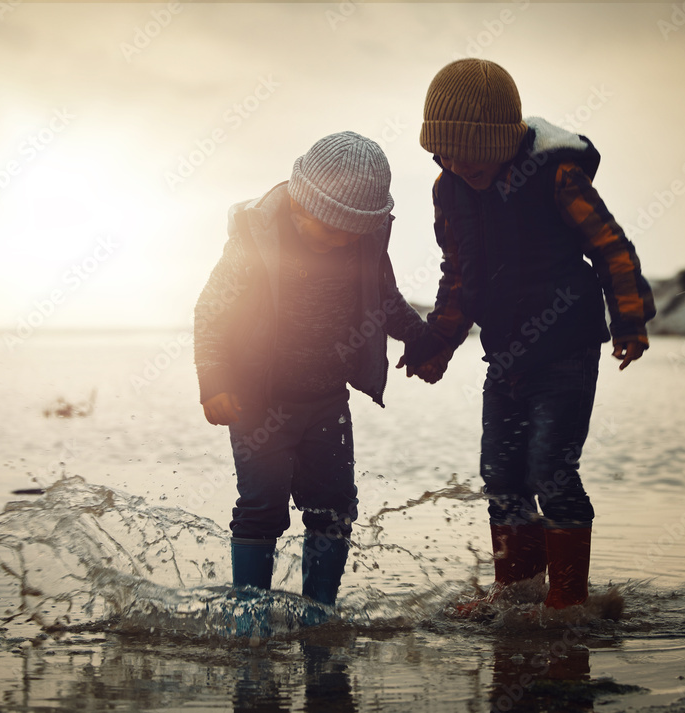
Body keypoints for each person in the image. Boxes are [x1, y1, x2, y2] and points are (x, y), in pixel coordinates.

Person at [404, 59, 656, 610]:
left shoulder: (554, 176)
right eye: (445, 151)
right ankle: (515, 594)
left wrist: (630, 319)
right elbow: (459, 276)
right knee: (500, 473)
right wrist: (437, 343)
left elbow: (611, 246)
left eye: (473, 150)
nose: (459, 162)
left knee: (551, 467)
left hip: (566, 348)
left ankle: (568, 599)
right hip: (506, 356)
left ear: (505, 141)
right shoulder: (449, 190)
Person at [194, 131, 428, 607]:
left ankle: (319, 613)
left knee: (334, 508)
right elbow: (211, 313)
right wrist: (214, 382)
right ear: (301, 209)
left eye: (353, 232)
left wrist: (425, 342)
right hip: (256, 402)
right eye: (331, 229)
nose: (342, 240)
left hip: (326, 401)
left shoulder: (362, 247)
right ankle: (250, 616)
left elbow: (387, 302)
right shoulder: (254, 243)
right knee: (262, 507)